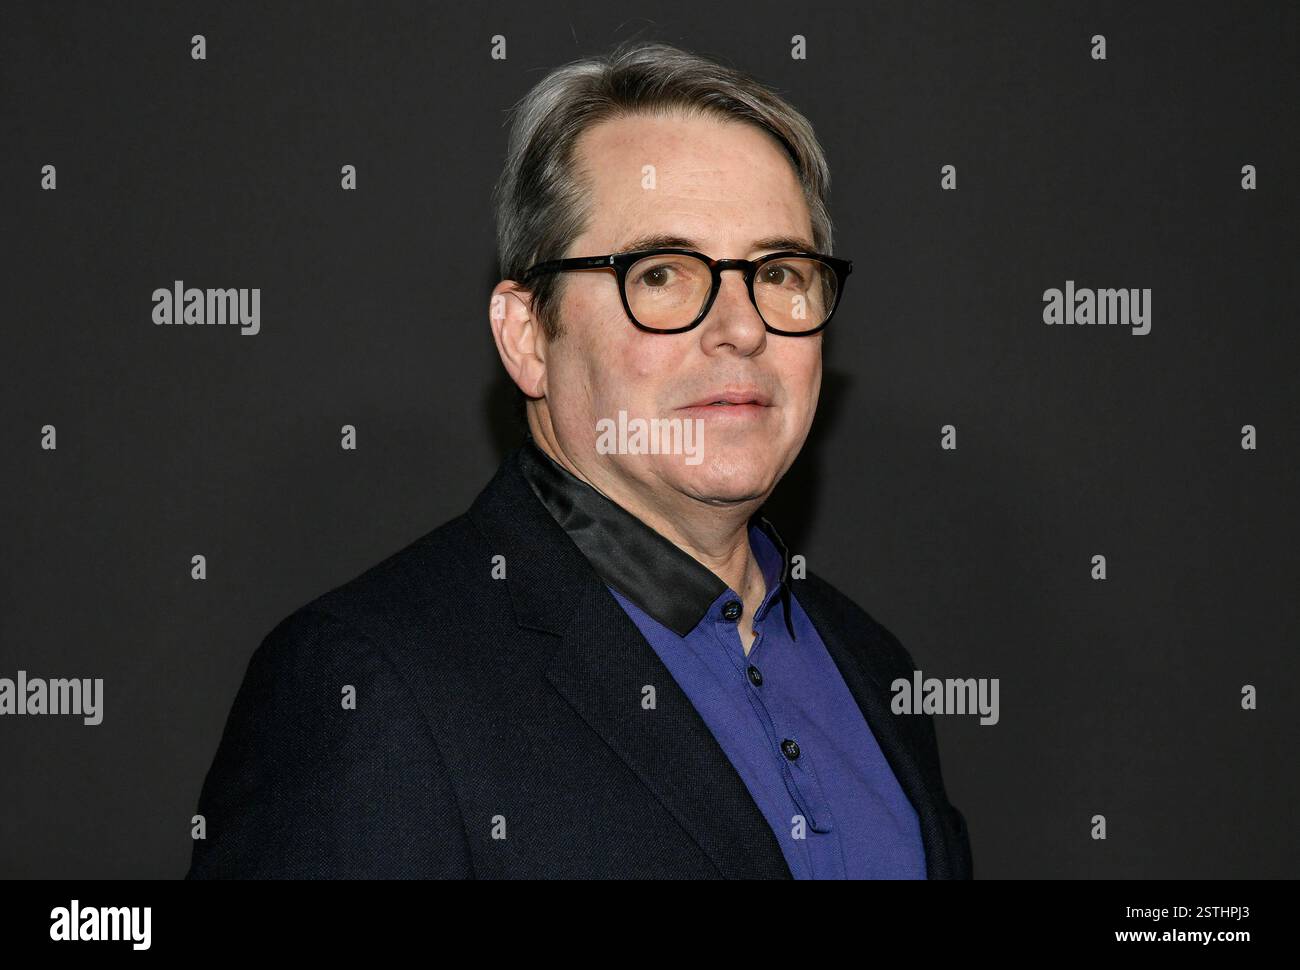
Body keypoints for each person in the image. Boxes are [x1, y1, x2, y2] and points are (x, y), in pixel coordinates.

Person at [187, 40, 973, 879]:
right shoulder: (374, 687)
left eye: (778, 271)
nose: (742, 327)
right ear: (527, 337)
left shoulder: (874, 665)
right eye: (663, 273)